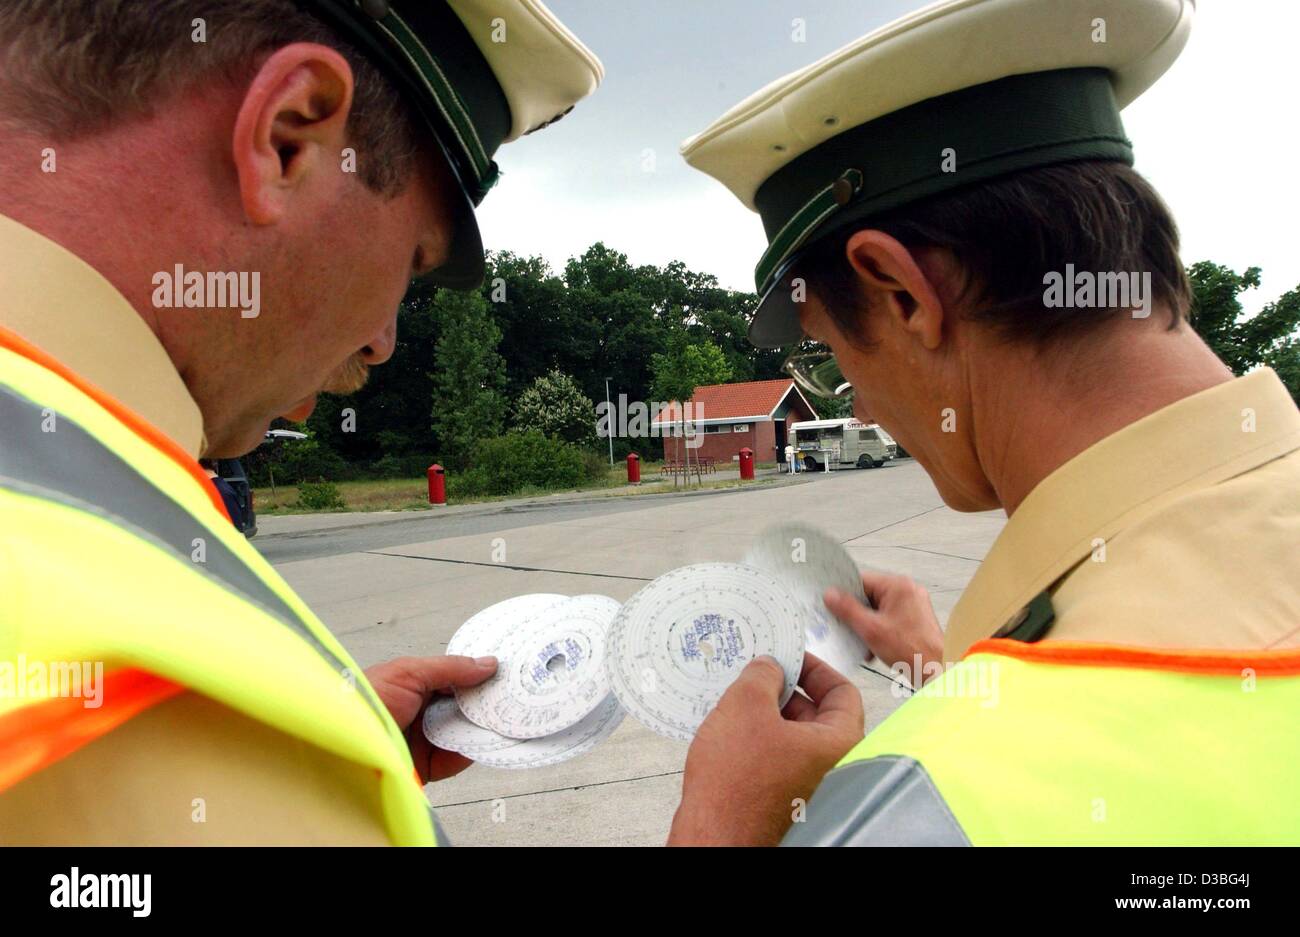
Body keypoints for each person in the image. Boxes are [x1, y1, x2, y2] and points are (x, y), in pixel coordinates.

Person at [671, 0, 1300, 845]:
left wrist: (718, 824)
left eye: (829, 354)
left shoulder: (917, 804)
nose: (856, 403)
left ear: (899, 292)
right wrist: (963, 683)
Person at [0, 0, 601, 844]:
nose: (384, 341)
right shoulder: (140, 689)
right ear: (289, 137)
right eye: (413, 259)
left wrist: (319, 725)